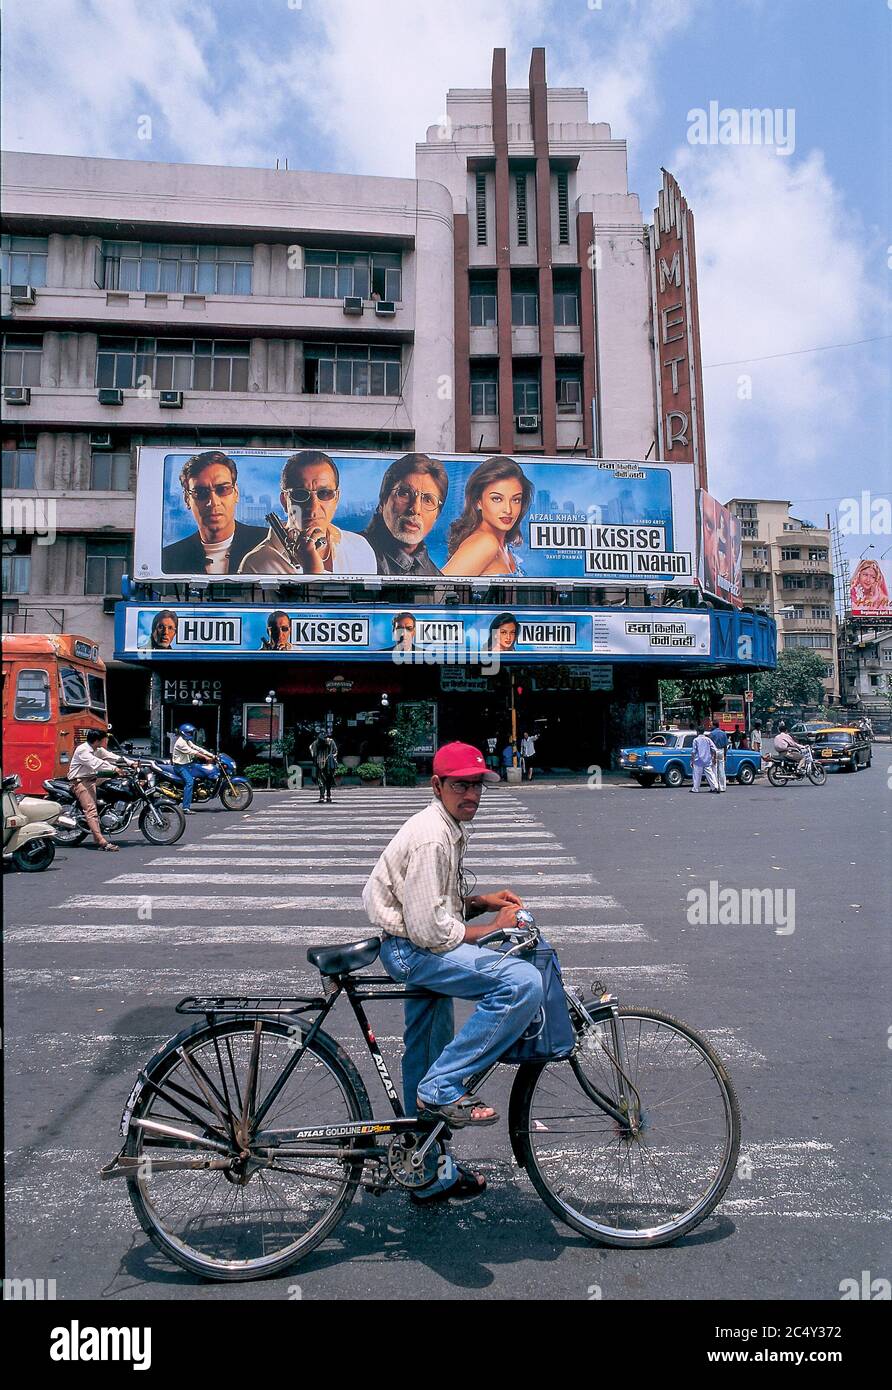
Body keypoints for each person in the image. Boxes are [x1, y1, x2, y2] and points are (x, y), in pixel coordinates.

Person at [361, 741, 543, 1203]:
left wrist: (482, 901)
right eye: (461, 785)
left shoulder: (447, 827)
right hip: (411, 949)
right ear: (437, 785)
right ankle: (444, 1086)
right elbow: (430, 930)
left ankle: (424, 1167)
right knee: (522, 982)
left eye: (478, 785)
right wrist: (491, 927)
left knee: (427, 1046)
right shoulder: (432, 837)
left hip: (412, 941)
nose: (472, 795)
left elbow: (434, 900)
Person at [239, 450, 376, 576]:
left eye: (325, 493)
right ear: (284, 501)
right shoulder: (256, 565)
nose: (313, 506)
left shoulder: (360, 548)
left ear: (336, 499)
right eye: (300, 494)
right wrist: (312, 573)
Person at [161, 451, 266, 575]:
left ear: (236, 493)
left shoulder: (268, 544)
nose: (213, 502)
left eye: (223, 489)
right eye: (200, 492)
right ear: (187, 499)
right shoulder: (168, 558)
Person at [442, 456, 533, 577]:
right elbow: (437, 589)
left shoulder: (503, 546)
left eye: (516, 500)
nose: (508, 509)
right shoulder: (485, 543)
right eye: (497, 499)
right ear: (477, 501)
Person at [363, 453, 448, 576]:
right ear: (383, 500)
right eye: (405, 493)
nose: (415, 509)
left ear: (437, 516)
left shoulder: (438, 581)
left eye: (428, 500)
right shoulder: (351, 553)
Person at [68, 728, 136, 850]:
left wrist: (131, 763)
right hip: (81, 781)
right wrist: (114, 769)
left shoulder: (97, 749)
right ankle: (101, 841)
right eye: (103, 740)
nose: (104, 742)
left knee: (117, 783)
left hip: (93, 777)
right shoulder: (83, 750)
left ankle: (108, 809)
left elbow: (113, 756)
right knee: (91, 810)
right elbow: (97, 763)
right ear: (97, 741)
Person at [171, 722, 216, 814]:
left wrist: (212, 755)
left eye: (191, 733)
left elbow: (197, 748)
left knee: (200, 772)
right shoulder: (180, 743)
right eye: (189, 733)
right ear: (184, 733)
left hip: (188, 765)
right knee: (189, 782)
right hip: (180, 767)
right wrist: (206, 757)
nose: (190, 734)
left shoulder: (186, 741)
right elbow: (193, 752)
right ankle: (185, 808)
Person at [309, 731, 338, 803]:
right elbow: (312, 751)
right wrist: (315, 762)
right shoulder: (316, 743)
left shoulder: (331, 742)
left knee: (329, 780)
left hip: (328, 764)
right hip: (320, 764)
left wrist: (331, 757)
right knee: (320, 781)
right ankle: (322, 796)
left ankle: (328, 795)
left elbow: (335, 751)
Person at [691, 727, 719, 793]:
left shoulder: (696, 740)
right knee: (710, 774)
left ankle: (695, 788)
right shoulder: (708, 739)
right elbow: (714, 749)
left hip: (698, 760)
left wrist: (692, 761)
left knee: (697, 775)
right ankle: (715, 787)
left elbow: (693, 751)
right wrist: (714, 758)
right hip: (707, 760)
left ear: (697, 732)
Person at [708, 718, 730, 792]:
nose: (710, 726)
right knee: (721, 770)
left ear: (714, 725)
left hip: (714, 752)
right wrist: (725, 755)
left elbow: (710, 746)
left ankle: (715, 786)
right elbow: (726, 746)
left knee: (714, 770)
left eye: (711, 725)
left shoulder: (711, 734)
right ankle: (722, 787)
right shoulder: (723, 733)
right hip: (721, 751)